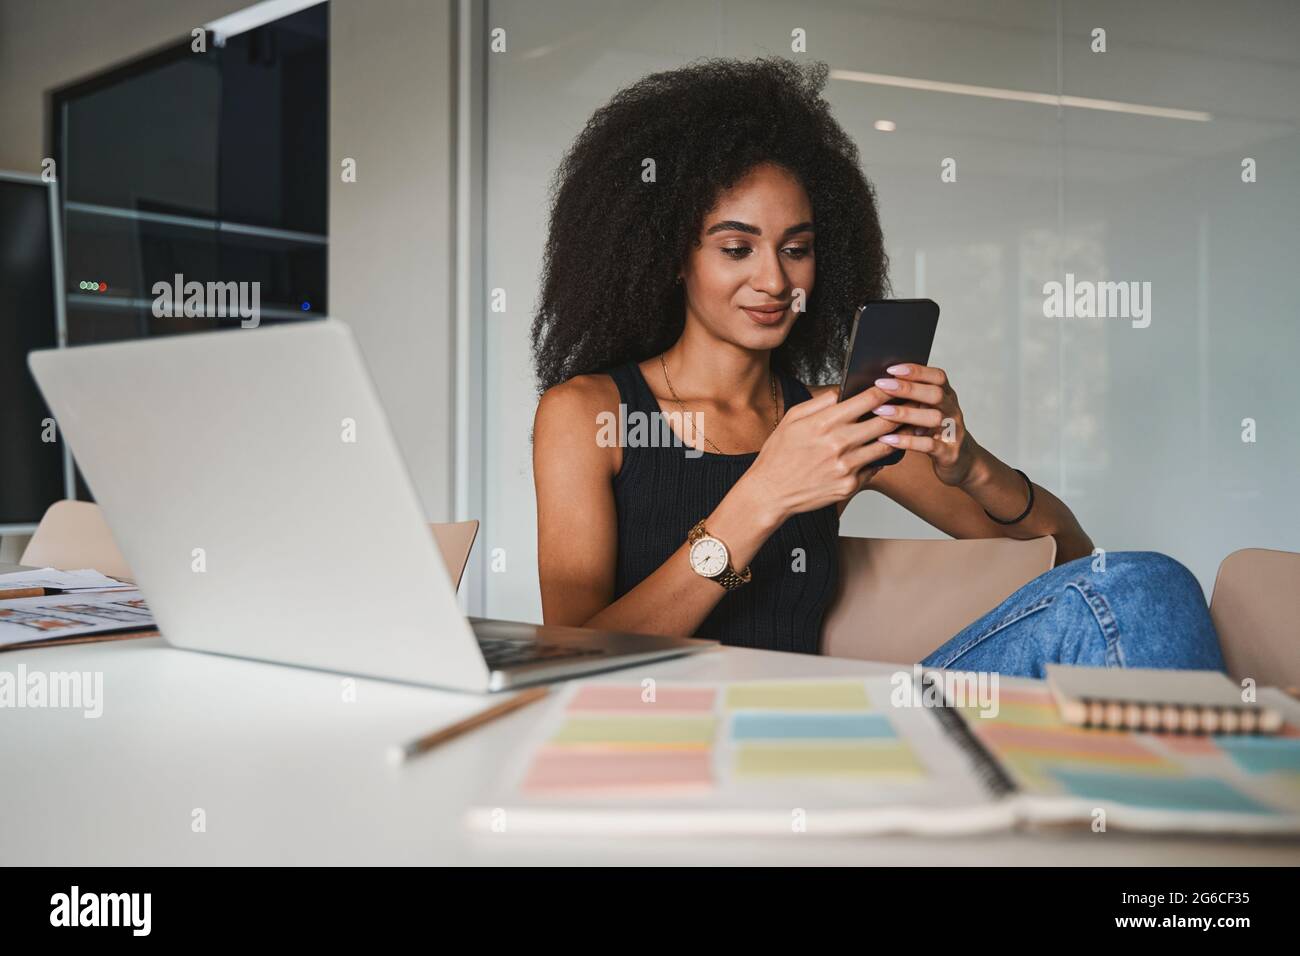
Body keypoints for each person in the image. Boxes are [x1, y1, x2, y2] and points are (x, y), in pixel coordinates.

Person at [529, 57, 1224, 678]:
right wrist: (761, 497)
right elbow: (573, 659)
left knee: (1147, 583)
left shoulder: (840, 420)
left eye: (795, 248)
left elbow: (1075, 562)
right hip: (664, 732)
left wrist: (971, 466)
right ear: (672, 257)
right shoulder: (589, 414)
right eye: (736, 249)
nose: (774, 279)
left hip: (822, 726)